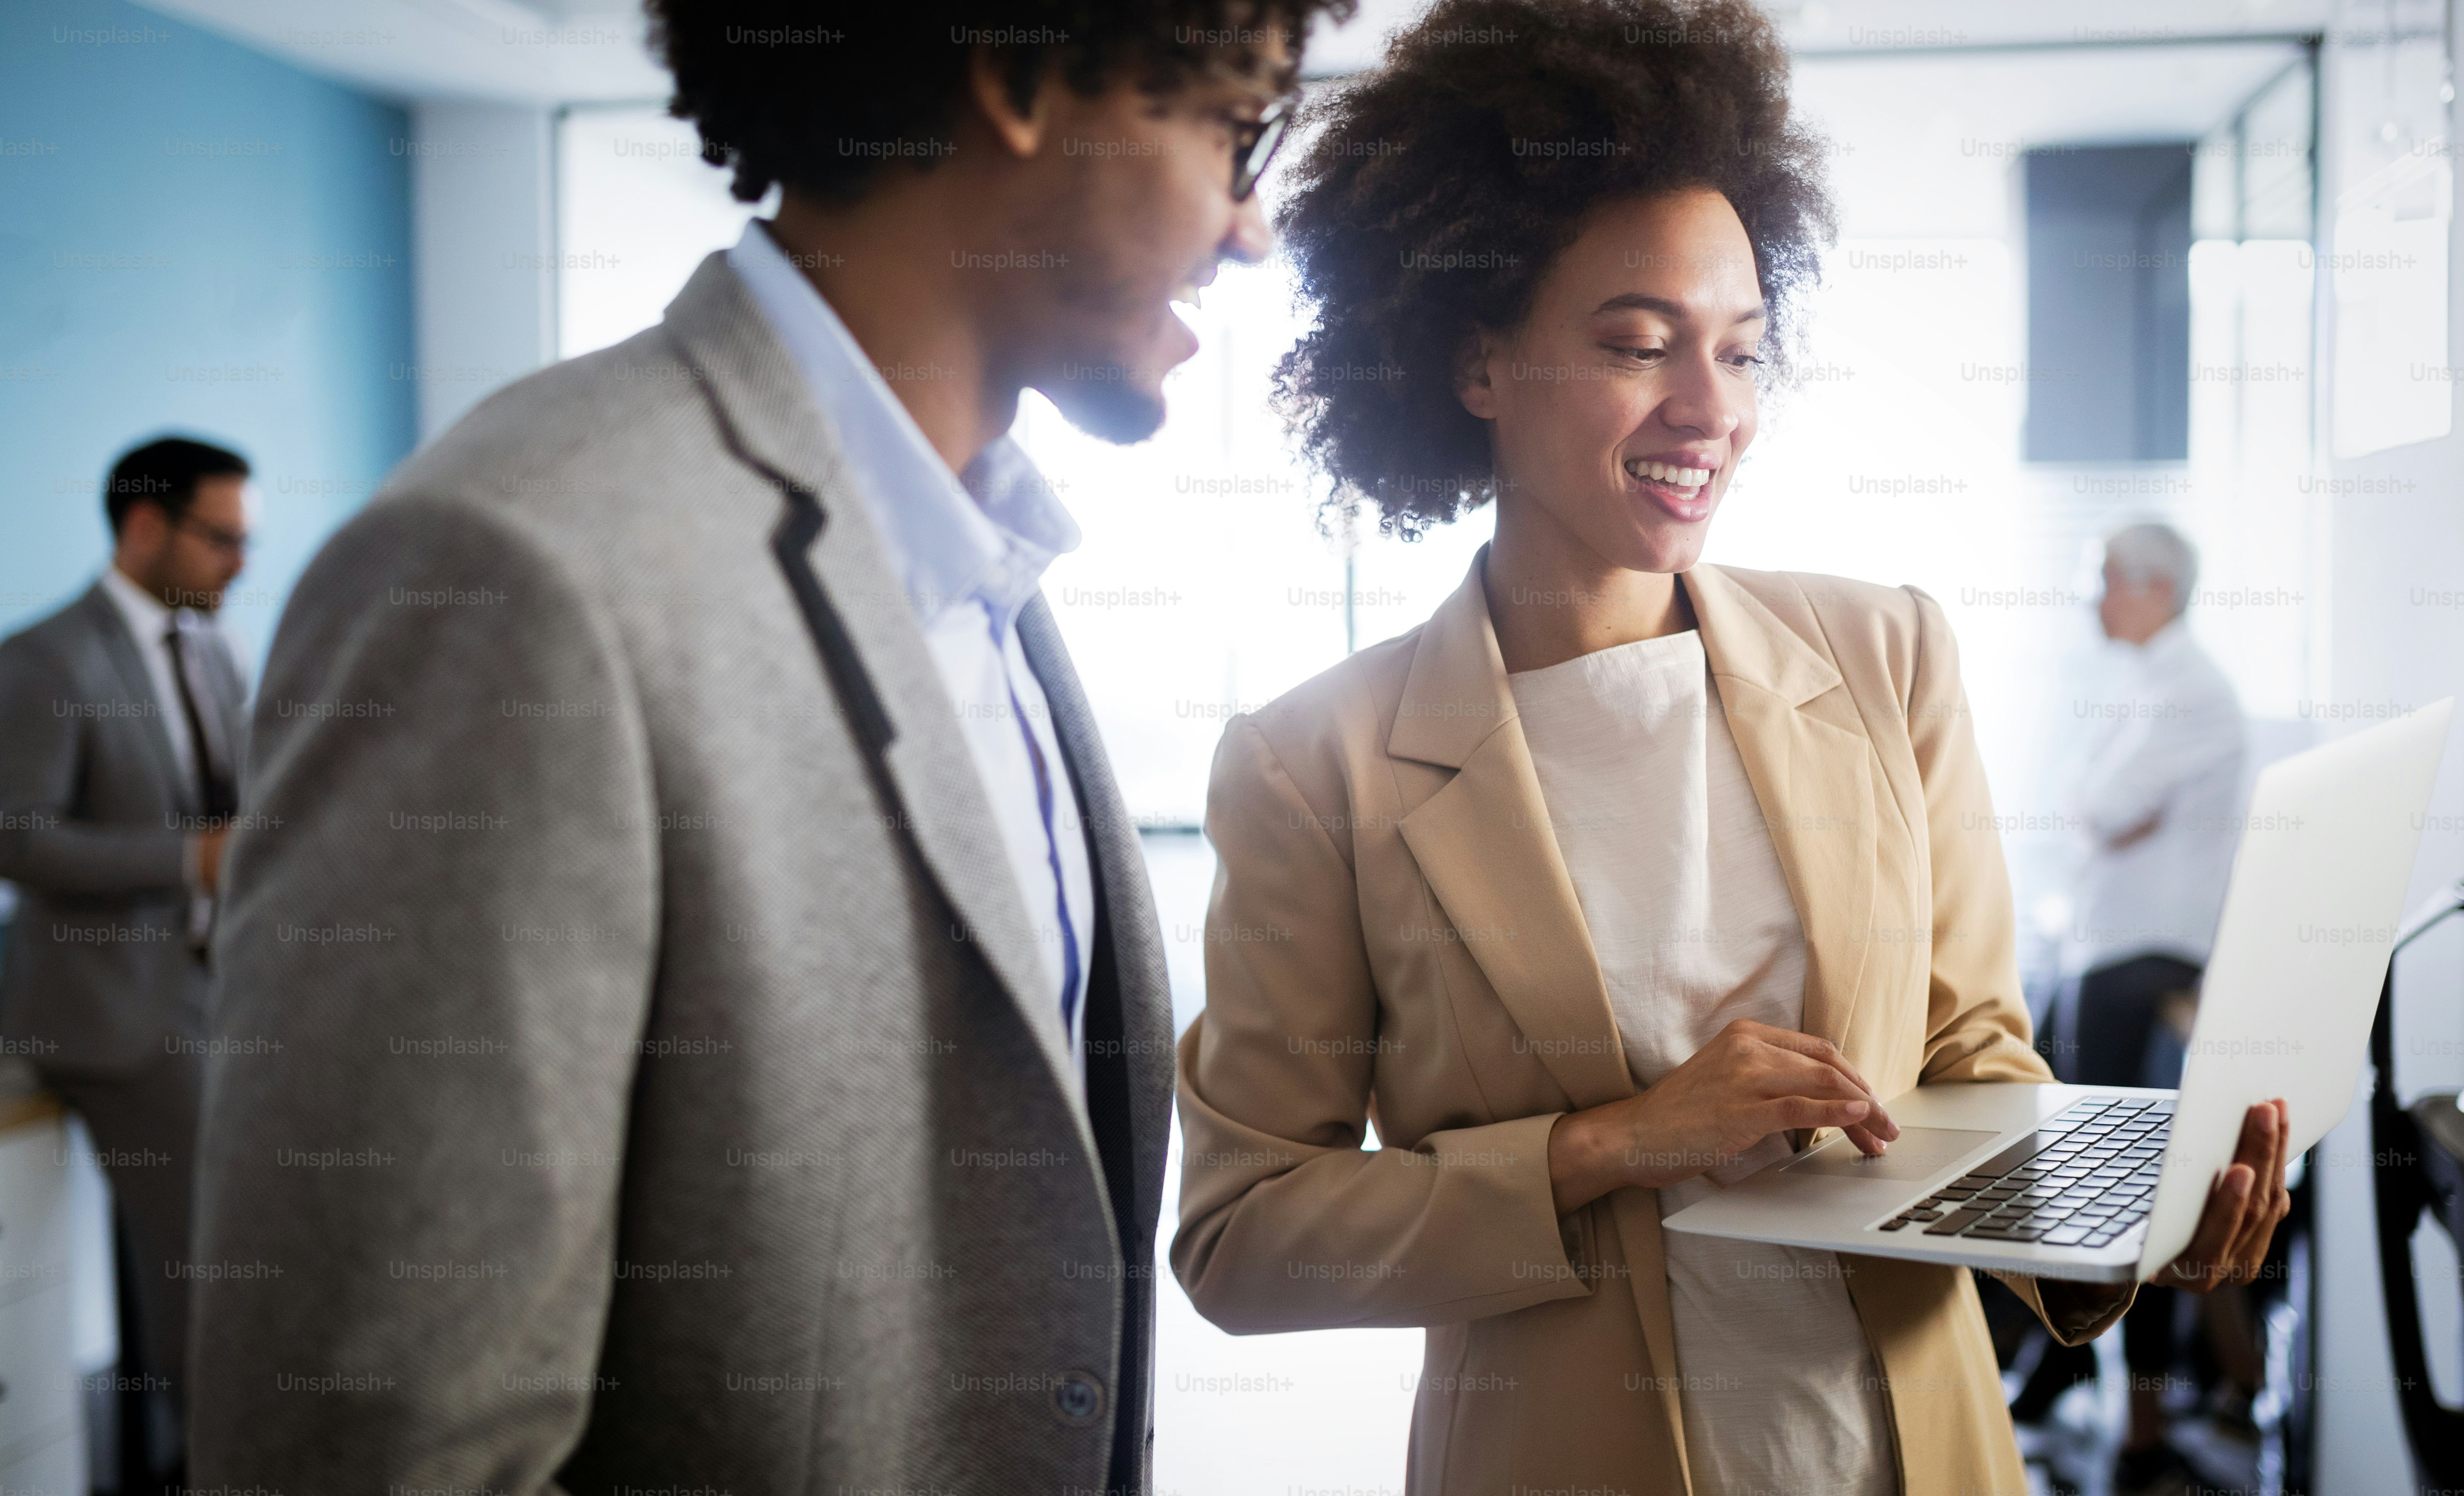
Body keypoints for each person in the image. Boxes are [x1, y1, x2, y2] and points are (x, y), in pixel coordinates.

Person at [186, 4, 1342, 1489]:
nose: (1249, 231)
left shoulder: (987, 568)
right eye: (1231, 136)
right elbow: (373, 1443)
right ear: (1015, 78)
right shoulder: (516, 571)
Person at [1168, 3, 2293, 1492]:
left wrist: (2114, 1237)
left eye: (1741, 350)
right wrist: (1609, 1143)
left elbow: (1964, 1057)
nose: (1710, 412)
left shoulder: (1881, 654)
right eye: (1637, 345)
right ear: (1473, 363)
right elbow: (1243, 1235)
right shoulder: (1318, 764)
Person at [0, 435, 253, 1490]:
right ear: (145, 525)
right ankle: (232, 1465)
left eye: (248, 539)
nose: (239, 560)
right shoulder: (46, 659)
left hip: (217, 989)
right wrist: (189, 856)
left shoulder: (212, 651)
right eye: (220, 537)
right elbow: (16, 837)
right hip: (113, 1014)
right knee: (212, 1270)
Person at [2062, 518, 2250, 1493]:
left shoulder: (2188, 690)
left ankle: (2140, 1430)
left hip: (2149, 965)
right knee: (2089, 1184)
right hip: (2114, 958)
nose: (2092, 596)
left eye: (2103, 579)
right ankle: (2070, 1377)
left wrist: (2096, 811)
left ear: (2151, 588)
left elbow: (2095, 809)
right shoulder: (2147, 682)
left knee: (2125, 1193)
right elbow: (2097, 809)